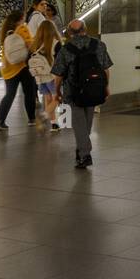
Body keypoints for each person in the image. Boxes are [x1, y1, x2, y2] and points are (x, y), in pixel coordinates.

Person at [52, 18, 114, 168]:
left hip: (73, 92)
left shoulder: (65, 49)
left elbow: (59, 75)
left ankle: (85, 154)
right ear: (85, 29)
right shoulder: (98, 45)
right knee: (86, 122)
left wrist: (57, 92)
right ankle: (81, 149)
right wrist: (105, 86)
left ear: (69, 32)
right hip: (94, 89)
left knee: (79, 124)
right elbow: (105, 69)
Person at [0, 11, 37, 130]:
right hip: (23, 66)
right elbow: (30, 45)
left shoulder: (5, 31)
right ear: (20, 19)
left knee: (9, 94)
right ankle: (31, 119)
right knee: (29, 92)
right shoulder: (22, 28)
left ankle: (0, 120)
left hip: (8, 67)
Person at [30, 17, 63, 132]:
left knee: (48, 98)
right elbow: (61, 61)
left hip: (39, 76)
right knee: (58, 98)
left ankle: (54, 124)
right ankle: (44, 115)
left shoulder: (36, 43)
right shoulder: (56, 44)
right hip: (52, 76)